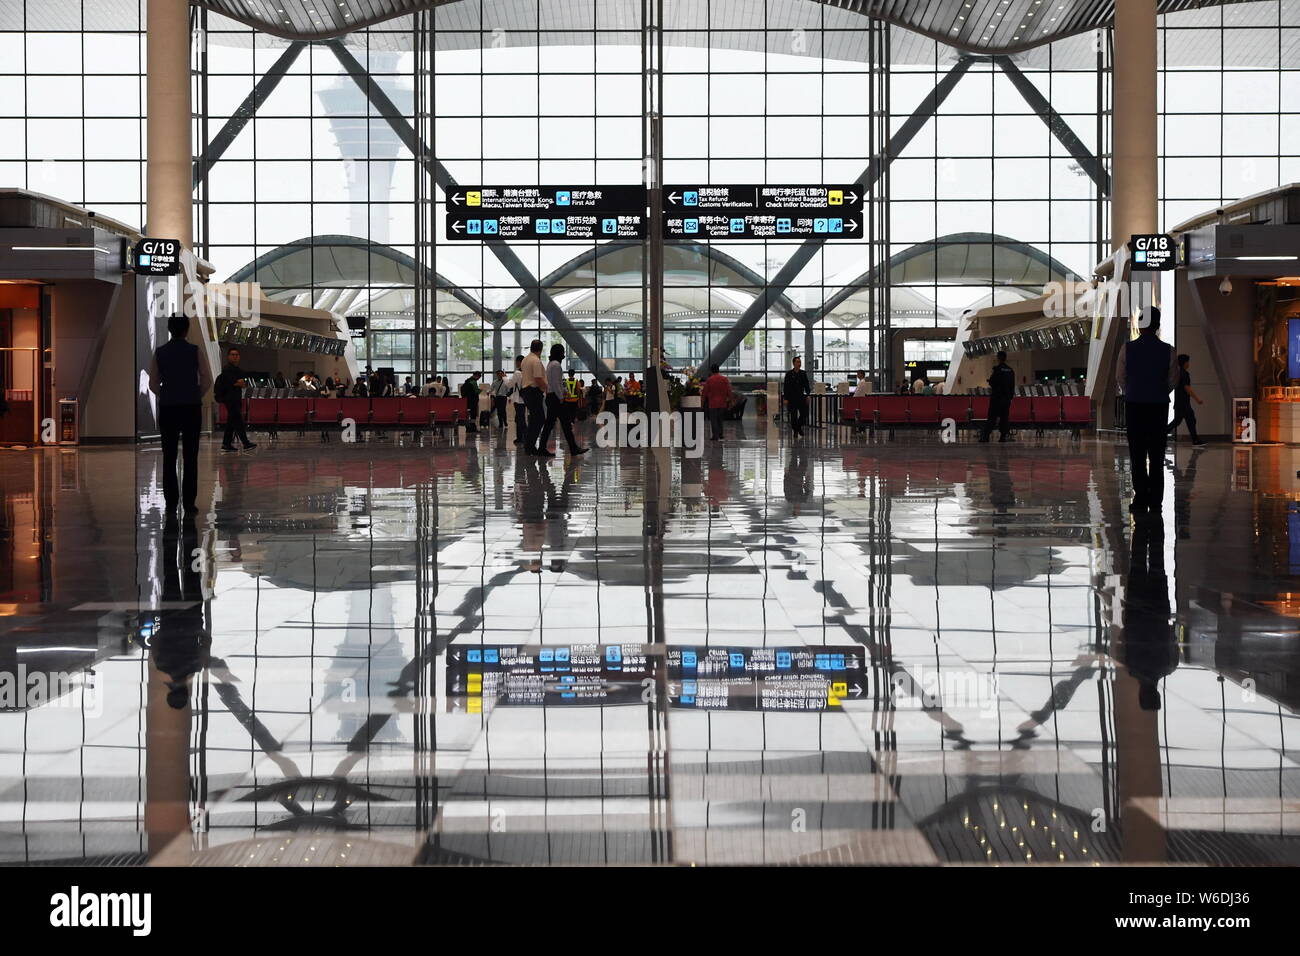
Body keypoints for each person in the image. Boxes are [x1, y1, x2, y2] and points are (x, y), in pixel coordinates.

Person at [148, 315, 212, 517]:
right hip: (191, 408)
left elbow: (152, 383)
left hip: (169, 408)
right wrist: (195, 393)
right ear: (186, 330)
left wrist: (166, 393)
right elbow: (206, 378)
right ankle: (189, 503)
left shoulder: (160, 353)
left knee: (169, 456)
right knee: (190, 457)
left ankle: (170, 502)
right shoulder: (195, 351)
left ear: (169, 329)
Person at [1118, 305, 1178, 518]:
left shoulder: (1127, 349)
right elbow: (1173, 379)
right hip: (1158, 406)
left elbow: (1121, 377)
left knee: (1137, 453)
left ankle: (1140, 496)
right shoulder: (1168, 350)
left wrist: (1134, 391)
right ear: (1158, 325)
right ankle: (1156, 498)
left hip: (1135, 405)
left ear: (1140, 325)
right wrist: (1158, 391)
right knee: (1156, 453)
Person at [537, 343, 586, 456]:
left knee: (552, 424)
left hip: (552, 397)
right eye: (563, 352)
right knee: (565, 424)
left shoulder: (551, 364)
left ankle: (542, 448)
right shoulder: (556, 365)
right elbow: (556, 384)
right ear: (559, 353)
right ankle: (573, 449)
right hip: (555, 398)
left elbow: (556, 383)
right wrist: (561, 398)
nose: (564, 354)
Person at [213, 347, 256, 452]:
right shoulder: (227, 369)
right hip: (230, 399)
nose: (235, 357)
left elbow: (242, 383)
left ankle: (226, 444)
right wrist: (238, 383)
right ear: (228, 357)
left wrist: (238, 383)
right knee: (238, 421)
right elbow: (235, 383)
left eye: (236, 355)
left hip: (235, 398)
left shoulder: (238, 370)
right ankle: (246, 443)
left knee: (231, 422)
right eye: (232, 355)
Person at [1167, 353, 1206, 446]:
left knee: (1181, 421)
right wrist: (1197, 399)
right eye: (1188, 362)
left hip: (1180, 403)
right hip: (1183, 403)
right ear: (1184, 363)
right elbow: (1187, 388)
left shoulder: (1178, 373)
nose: (1189, 364)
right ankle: (1195, 440)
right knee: (1189, 420)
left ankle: (1195, 440)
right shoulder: (1184, 374)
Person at [980, 351, 1016, 443]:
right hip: (1006, 398)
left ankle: (986, 437)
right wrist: (1010, 397)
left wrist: (991, 382)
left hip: (997, 398)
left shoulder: (997, 369)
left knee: (992, 417)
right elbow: (1012, 385)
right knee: (1004, 418)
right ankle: (1003, 436)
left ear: (998, 358)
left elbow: (992, 382)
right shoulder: (1010, 370)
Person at [520, 339, 549, 455]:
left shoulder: (525, 360)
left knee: (534, 419)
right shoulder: (536, 361)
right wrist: (547, 388)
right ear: (541, 349)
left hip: (526, 392)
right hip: (533, 392)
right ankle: (530, 445)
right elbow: (538, 378)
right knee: (539, 419)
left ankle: (529, 445)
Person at [700, 363, 733, 441]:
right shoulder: (724, 379)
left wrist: (702, 403)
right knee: (720, 419)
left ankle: (715, 435)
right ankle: (721, 434)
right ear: (718, 369)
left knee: (714, 419)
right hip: (722, 403)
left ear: (711, 371)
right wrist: (731, 401)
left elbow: (704, 393)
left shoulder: (709, 380)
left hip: (712, 403)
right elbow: (729, 391)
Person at [783, 356, 811, 438]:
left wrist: (808, 395)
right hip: (791, 398)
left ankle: (798, 427)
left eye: (800, 362)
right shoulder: (789, 374)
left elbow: (806, 385)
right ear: (794, 363)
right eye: (797, 362)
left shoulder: (803, 373)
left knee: (804, 414)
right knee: (793, 415)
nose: (799, 363)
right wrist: (785, 398)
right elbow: (786, 387)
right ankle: (795, 430)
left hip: (801, 397)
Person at [509, 356, 527, 444]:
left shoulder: (517, 373)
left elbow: (510, 384)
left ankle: (522, 437)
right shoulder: (527, 372)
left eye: (516, 362)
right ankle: (522, 437)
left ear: (519, 362)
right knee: (520, 418)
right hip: (525, 398)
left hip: (518, 399)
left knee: (520, 419)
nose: (516, 363)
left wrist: (505, 377)